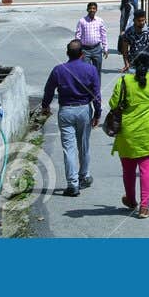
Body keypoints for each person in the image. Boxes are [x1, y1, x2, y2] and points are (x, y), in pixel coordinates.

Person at [107, 51, 149, 219]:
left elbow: (113, 103)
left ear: (134, 64)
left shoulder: (124, 81)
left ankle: (130, 199)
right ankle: (144, 207)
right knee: (147, 168)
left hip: (127, 132)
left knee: (128, 169)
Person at [41, 39, 101, 197]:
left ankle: (72, 184)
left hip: (66, 111)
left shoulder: (58, 70)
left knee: (69, 149)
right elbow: (96, 94)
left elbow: (48, 90)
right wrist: (98, 112)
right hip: (84, 110)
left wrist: (45, 106)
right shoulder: (91, 70)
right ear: (82, 54)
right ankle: (84, 176)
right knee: (84, 145)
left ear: (67, 53)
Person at [120, 8, 149, 73]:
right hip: (133, 66)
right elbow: (125, 51)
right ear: (134, 20)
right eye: (139, 21)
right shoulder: (128, 33)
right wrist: (126, 63)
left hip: (148, 66)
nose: (141, 22)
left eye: (143, 20)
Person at [75, 2, 107, 73]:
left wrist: (105, 48)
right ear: (87, 9)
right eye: (90, 8)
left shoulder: (100, 21)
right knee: (86, 71)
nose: (92, 10)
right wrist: (78, 49)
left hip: (97, 49)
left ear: (96, 10)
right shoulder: (82, 21)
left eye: (94, 8)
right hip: (85, 50)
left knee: (97, 71)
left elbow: (103, 35)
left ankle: (97, 84)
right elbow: (78, 36)